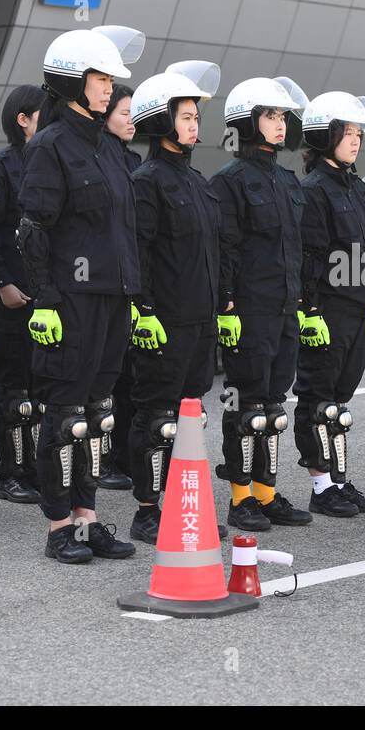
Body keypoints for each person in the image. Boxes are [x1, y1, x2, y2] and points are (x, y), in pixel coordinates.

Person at [17, 26, 143, 563]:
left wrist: (135, 296)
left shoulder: (109, 149)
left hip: (112, 298)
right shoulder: (51, 146)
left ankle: (88, 520)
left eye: (111, 78)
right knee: (65, 414)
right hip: (70, 298)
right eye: (100, 78)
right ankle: (58, 526)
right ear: (72, 81)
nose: (109, 87)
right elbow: (33, 230)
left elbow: (123, 230)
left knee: (99, 413)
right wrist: (45, 300)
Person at [126, 60, 229, 542]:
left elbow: (215, 251)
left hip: (201, 320)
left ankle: (186, 502)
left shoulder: (198, 182)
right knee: (155, 417)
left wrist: (225, 305)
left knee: (191, 415)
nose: (193, 125)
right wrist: (142, 310)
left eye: (195, 117)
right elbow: (138, 252)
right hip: (163, 321)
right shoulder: (146, 181)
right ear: (158, 120)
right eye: (185, 116)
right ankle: (148, 509)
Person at [211, 75, 314, 531]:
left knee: (275, 405)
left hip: (285, 306)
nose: (279, 124)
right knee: (246, 406)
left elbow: (300, 247)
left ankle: (267, 494)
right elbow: (226, 248)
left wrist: (305, 301)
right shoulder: (230, 181)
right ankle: (240, 498)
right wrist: (226, 305)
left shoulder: (290, 181)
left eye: (282, 117)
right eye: (270, 116)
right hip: (248, 309)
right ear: (247, 122)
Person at [291, 91, 365, 517]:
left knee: (340, 402)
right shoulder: (313, 190)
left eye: (358, 132)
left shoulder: (357, 187)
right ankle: (321, 484)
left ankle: (339, 480)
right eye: (347, 132)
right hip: (328, 309)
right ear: (324, 135)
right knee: (318, 397)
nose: (355, 140)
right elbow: (309, 256)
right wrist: (309, 310)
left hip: (359, 307)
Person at [0, 83, 45, 505]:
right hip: (11, 294)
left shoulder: (53, 162)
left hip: (48, 296)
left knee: (42, 390)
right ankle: (11, 473)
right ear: (23, 119)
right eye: (42, 114)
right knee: (15, 388)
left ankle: (34, 466)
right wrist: (2, 283)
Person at [94, 82, 140, 492]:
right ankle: (104, 458)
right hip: (101, 286)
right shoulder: (98, 156)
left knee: (129, 381)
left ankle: (124, 454)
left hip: (131, 286)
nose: (130, 120)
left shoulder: (134, 161)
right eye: (123, 112)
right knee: (104, 386)